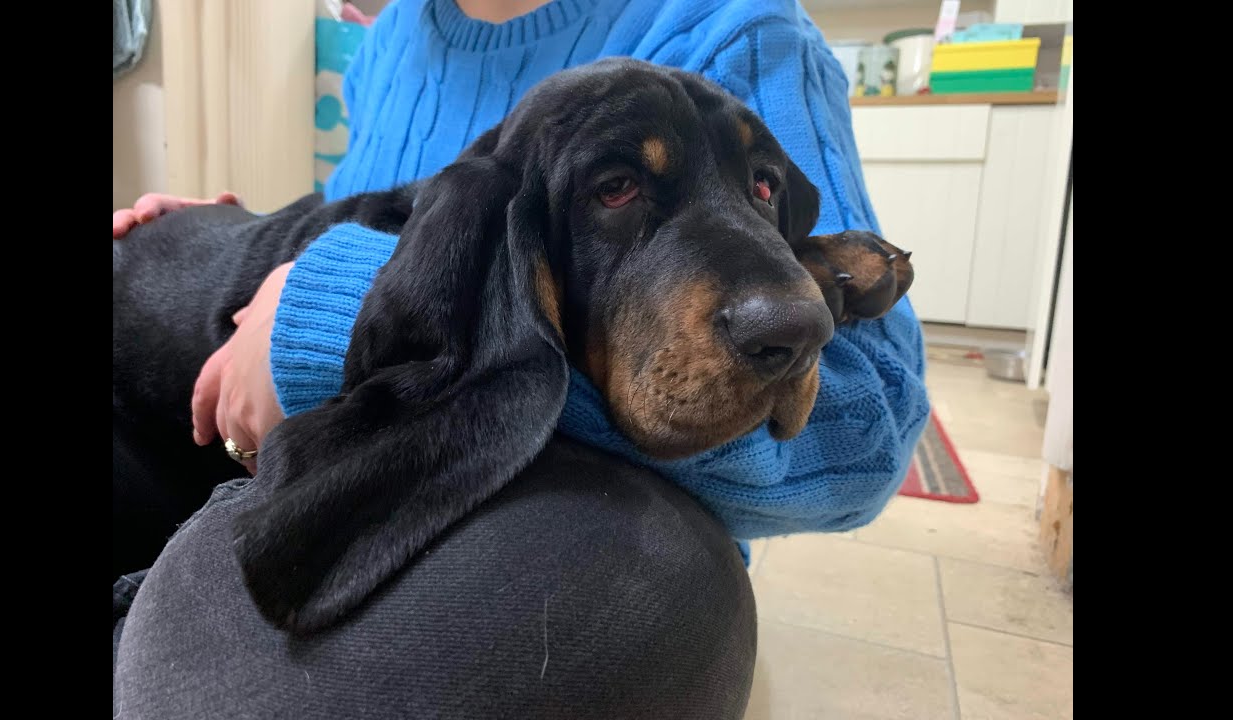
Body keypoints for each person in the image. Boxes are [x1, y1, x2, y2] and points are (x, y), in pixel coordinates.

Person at [112, 0, 931, 716]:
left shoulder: (735, 27)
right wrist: (233, 237)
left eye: (761, 185)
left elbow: (870, 435)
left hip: (576, 519)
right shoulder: (395, 36)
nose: (793, 315)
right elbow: (388, 213)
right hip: (151, 389)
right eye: (616, 187)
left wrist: (326, 312)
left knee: (646, 598)